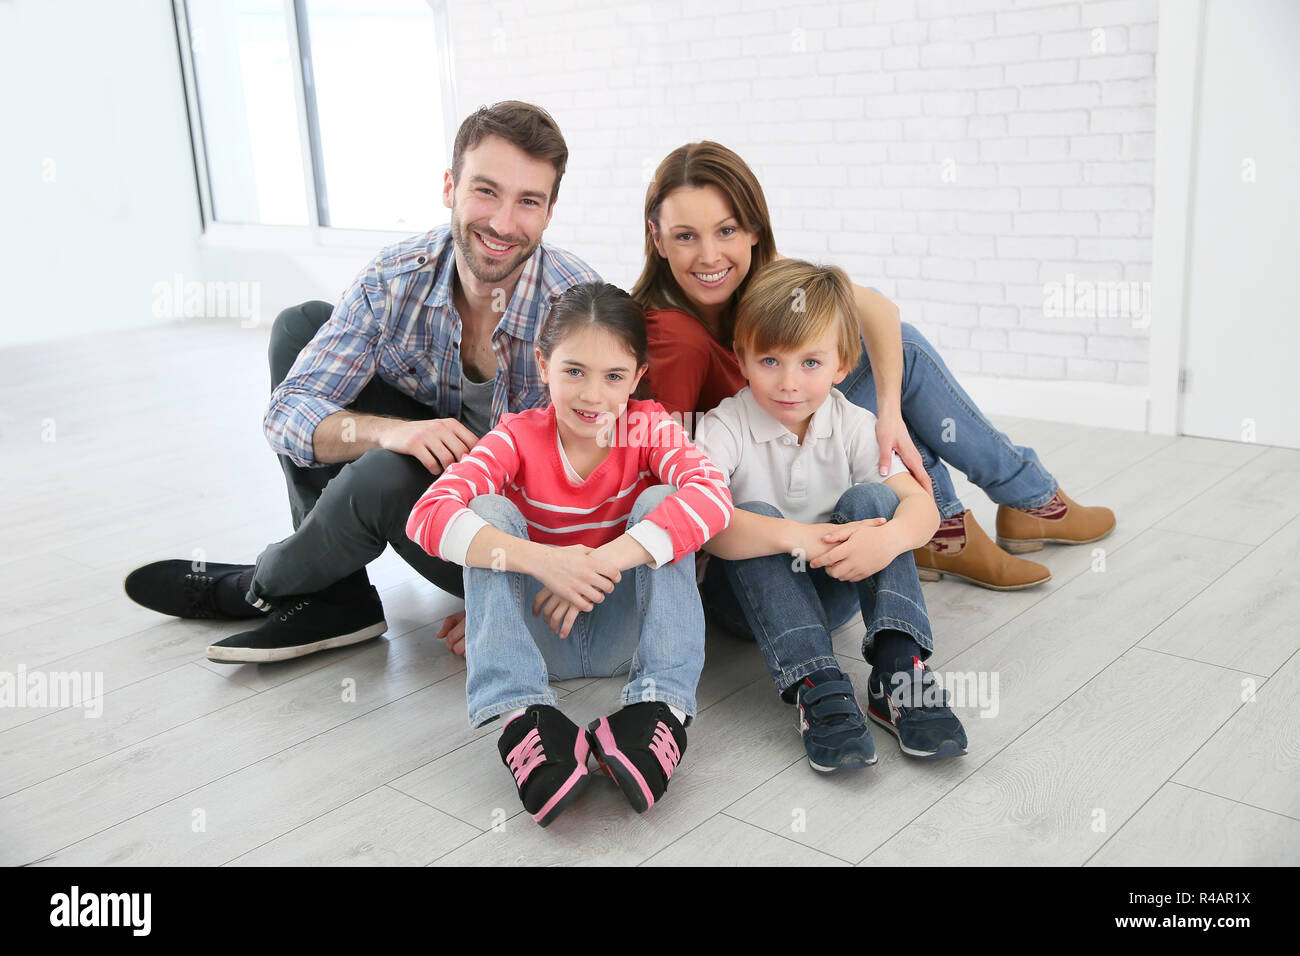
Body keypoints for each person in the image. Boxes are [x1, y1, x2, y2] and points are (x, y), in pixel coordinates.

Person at [123, 101, 599, 662]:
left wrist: (516, 599)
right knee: (300, 326)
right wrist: (387, 432)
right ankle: (337, 594)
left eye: (528, 201)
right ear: (449, 186)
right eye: (486, 191)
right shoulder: (397, 277)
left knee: (383, 475)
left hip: (501, 544)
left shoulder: (577, 311)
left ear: (550, 211)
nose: (501, 223)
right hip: (428, 477)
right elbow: (288, 413)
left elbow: (610, 486)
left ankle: (261, 585)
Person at [631, 141, 1115, 592]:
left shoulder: (772, 285)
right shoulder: (671, 333)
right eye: (686, 236)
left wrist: (889, 414)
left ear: (754, 229)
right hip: (757, 467)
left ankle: (969, 521)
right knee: (900, 359)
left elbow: (879, 309)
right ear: (657, 238)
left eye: (727, 230)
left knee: (897, 361)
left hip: (802, 430)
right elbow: (670, 458)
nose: (710, 255)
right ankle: (1014, 505)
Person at [405, 283, 732, 825]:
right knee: (484, 511)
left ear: (638, 377)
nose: (592, 396)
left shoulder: (648, 426)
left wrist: (597, 564)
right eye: (573, 371)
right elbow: (428, 513)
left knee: (665, 499)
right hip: (541, 636)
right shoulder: (516, 436)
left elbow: (714, 496)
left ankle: (661, 713)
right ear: (542, 363)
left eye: (613, 377)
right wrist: (543, 563)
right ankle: (522, 720)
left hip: (628, 634)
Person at [696, 258, 966, 771]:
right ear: (742, 358)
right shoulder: (723, 426)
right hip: (748, 601)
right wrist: (801, 538)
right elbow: (710, 528)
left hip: (838, 583)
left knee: (875, 502)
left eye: (811, 363)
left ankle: (896, 673)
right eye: (770, 361)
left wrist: (884, 541)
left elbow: (922, 509)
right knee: (747, 514)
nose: (789, 383)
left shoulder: (853, 422)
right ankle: (816, 681)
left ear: (843, 365)